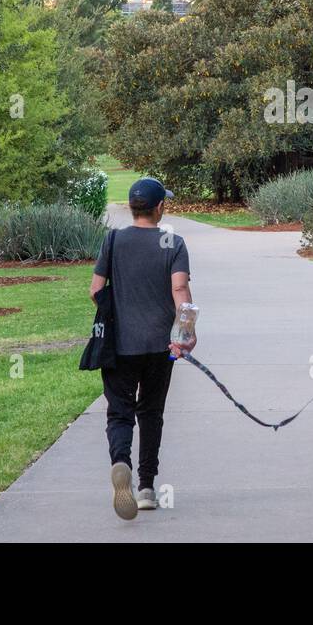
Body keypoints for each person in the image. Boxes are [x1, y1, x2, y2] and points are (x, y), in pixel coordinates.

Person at [89, 177, 193, 521]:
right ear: (160, 208)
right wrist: (185, 333)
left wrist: (118, 309)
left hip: (119, 345)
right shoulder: (173, 243)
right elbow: (179, 291)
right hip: (159, 345)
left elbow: (95, 290)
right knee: (150, 413)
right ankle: (147, 488)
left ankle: (121, 463)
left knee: (119, 412)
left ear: (132, 208)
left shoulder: (114, 240)